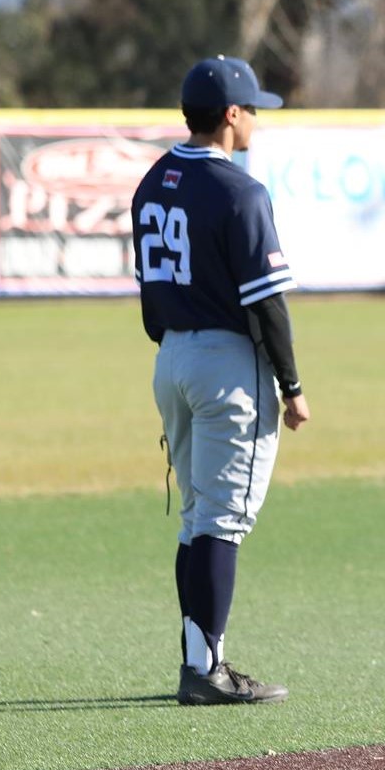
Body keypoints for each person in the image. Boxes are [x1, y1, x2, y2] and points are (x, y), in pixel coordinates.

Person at [132, 55, 309, 706]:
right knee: (220, 522)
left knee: (196, 518)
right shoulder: (240, 191)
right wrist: (292, 386)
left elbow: (150, 293)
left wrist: (176, 350)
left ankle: (197, 662)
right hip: (227, 365)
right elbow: (267, 303)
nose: (257, 118)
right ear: (231, 115)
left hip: (171, 358)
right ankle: (207, 670)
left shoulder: (152, 182)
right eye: (253, 108)